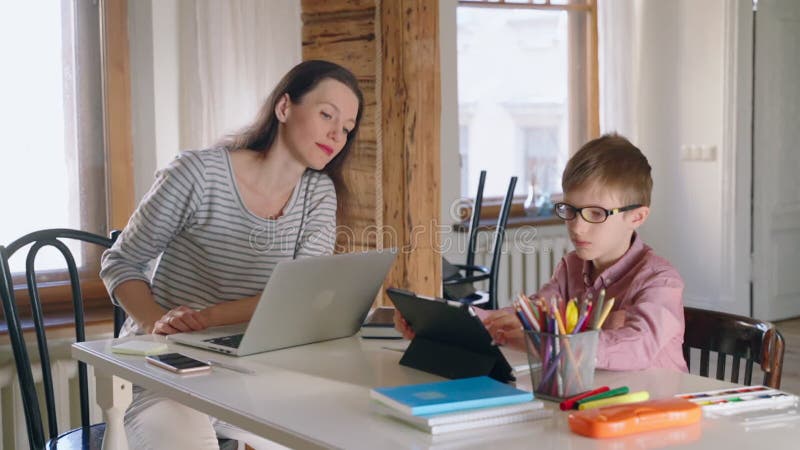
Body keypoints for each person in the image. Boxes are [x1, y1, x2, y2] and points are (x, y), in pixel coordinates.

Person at [100, 59, 363, 449]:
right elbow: (121, 262)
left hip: (252, 373)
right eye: (327, 115)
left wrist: (206, 318)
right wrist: (160, 323)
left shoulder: (318, 195)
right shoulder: (197, 173)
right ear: (284, 107)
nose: (336, 134)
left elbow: (295, 302)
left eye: (346, 128)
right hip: (168, 369)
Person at [395, 133, 688, 372]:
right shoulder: (571, 267)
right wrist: (442, 324)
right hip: (594, 402)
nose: (577, 228)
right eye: (570, 210)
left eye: (595, 214)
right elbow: (529, 314)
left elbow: (637, 347)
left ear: (636, 217)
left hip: (659, 417)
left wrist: (540, 343)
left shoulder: (660, 281)